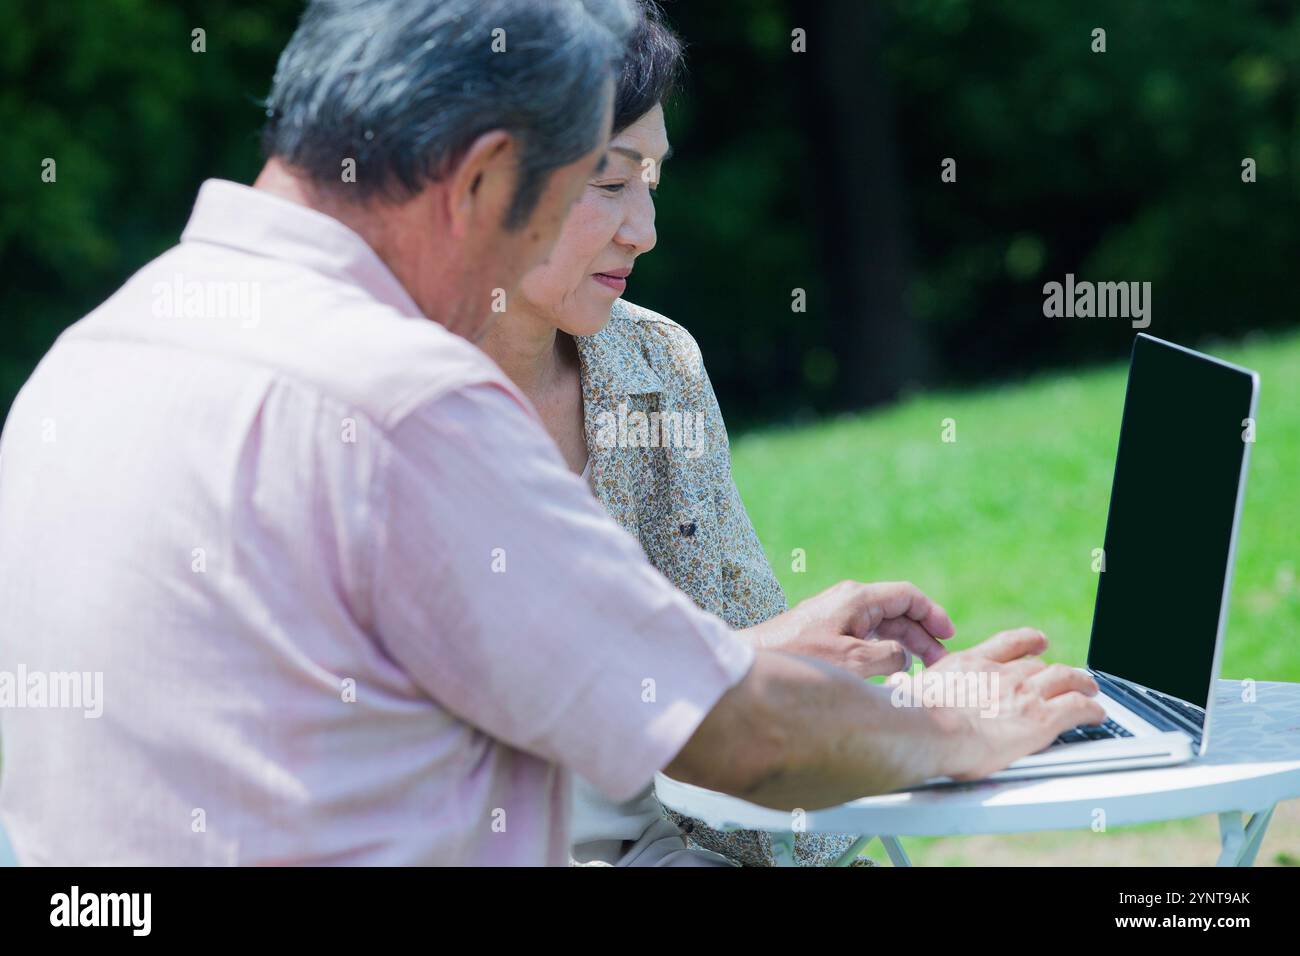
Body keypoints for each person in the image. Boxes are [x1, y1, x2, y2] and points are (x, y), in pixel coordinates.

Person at [0, 0, 1103, 866]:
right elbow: (742, 740)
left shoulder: (89, 358)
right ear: (481, 177)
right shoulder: (398, 398)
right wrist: (960, 730)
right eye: (571, 192)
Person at [480, 1, 905, 867]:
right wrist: (753, 659)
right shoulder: (378, 398)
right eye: (609, 183)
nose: (645, 228)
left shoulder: (656, 362)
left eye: (652, 181)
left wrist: (897, 715)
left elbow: (754, 685)